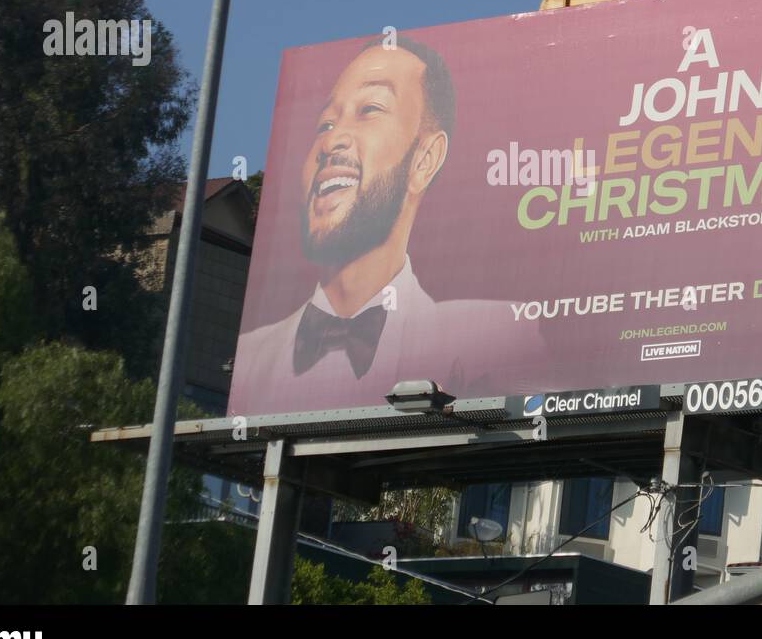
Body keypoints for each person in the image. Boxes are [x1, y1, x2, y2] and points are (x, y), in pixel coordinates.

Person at [229, 35, 544, 416]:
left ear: (425, 159)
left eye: (370, 109)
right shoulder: (251, 359)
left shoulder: (496, 336)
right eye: (324, 123)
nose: (332, 140)